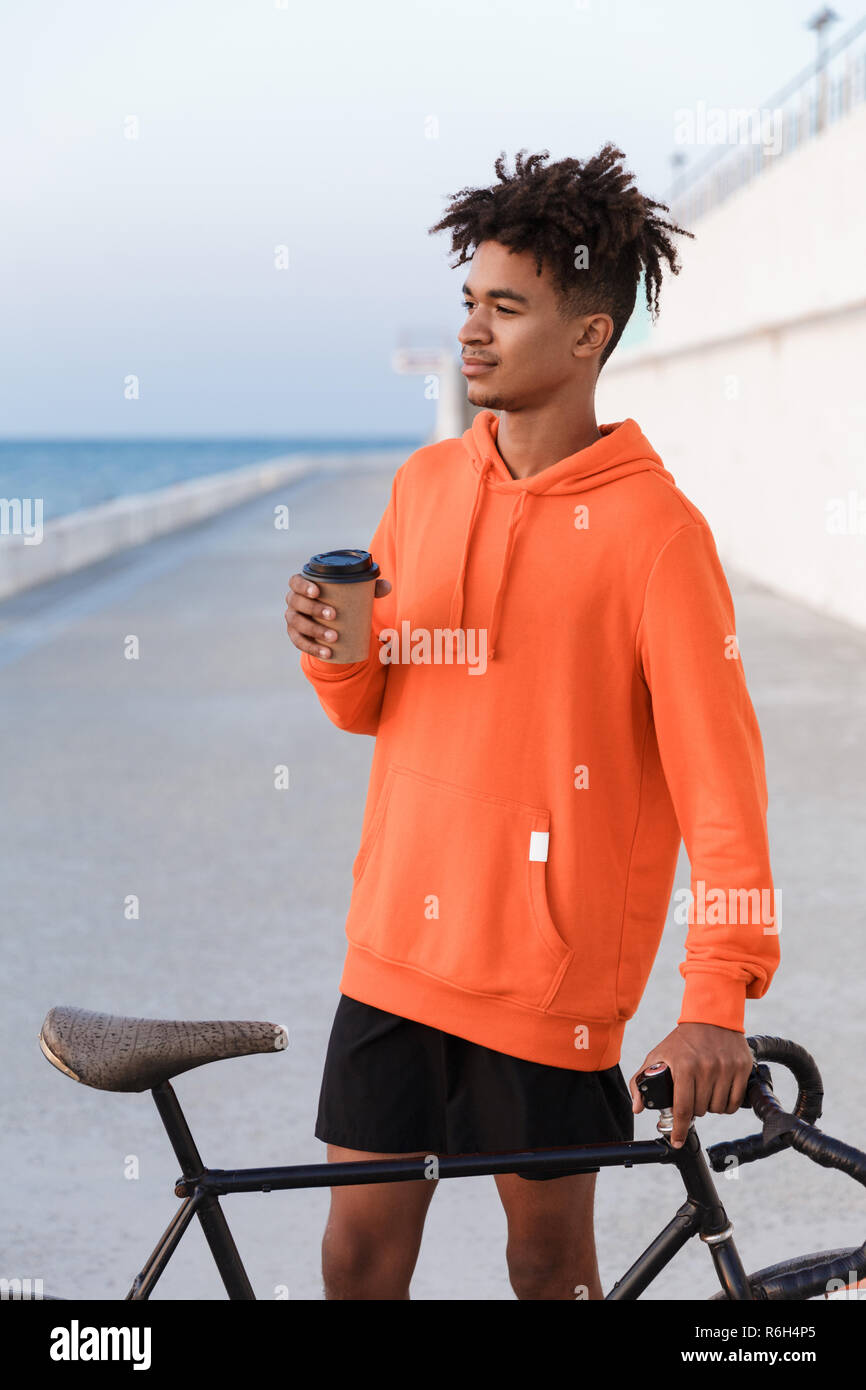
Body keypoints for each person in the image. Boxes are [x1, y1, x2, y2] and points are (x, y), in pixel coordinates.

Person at [284, 144, 780, 1300]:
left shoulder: (658, 537)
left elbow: (724, 793)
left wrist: (715, 1000)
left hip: (546, 985)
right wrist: (333, 656)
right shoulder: (421, 487)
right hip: (395, 957)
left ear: (587, 337)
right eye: (468, 302)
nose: (472, 331)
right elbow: (379, 705)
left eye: (505, 307)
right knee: (355, 1261)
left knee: (547, 1266)